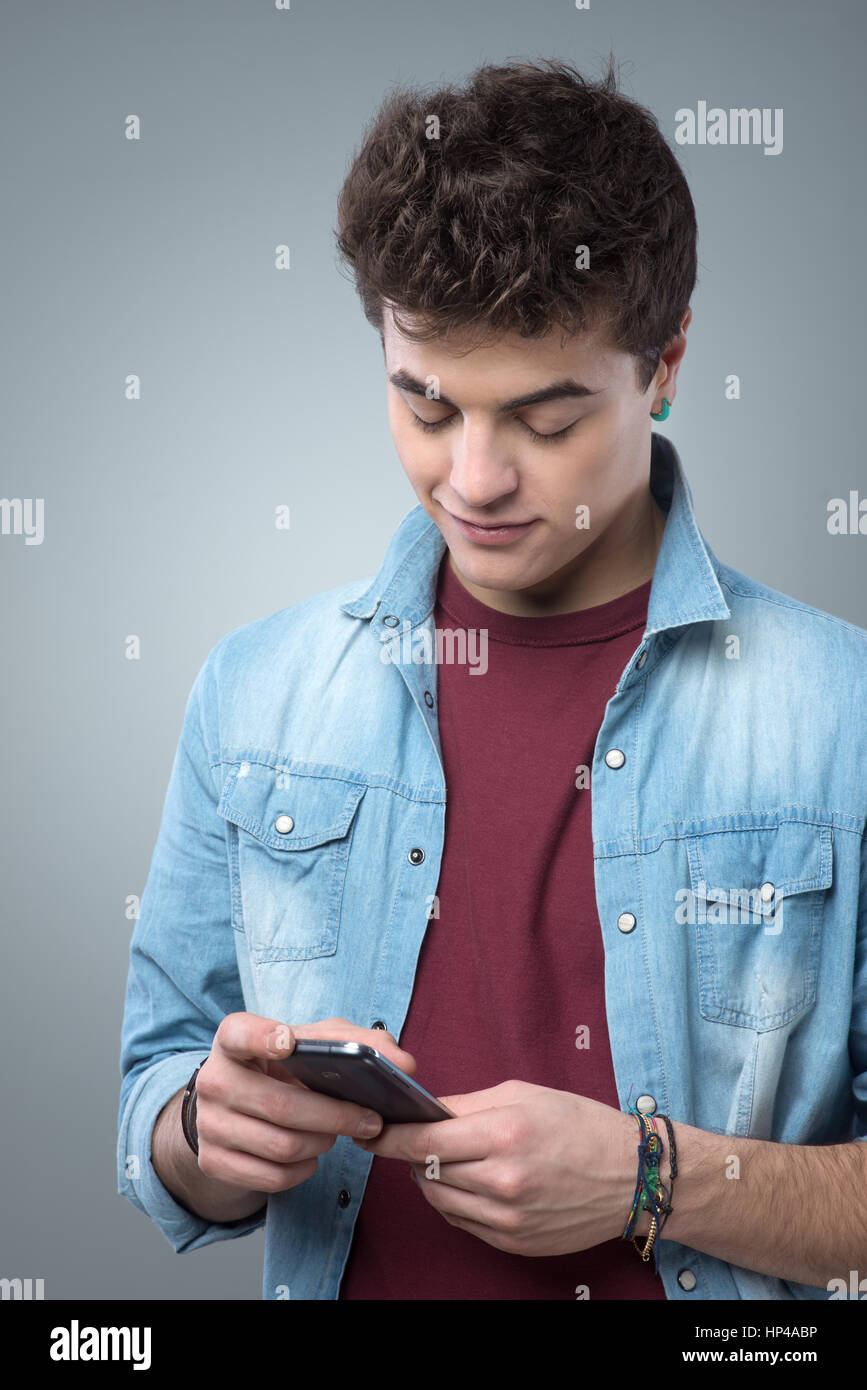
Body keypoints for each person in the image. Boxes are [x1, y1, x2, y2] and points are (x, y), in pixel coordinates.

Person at [117, 55, 867, 1301]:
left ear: (667, 362)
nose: (472, 479)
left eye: (546, 418)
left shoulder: (842, 713)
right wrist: (205, 1137)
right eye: (424, 403)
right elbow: (158, 1094)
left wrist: (651, 1179)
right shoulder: (253, 691)